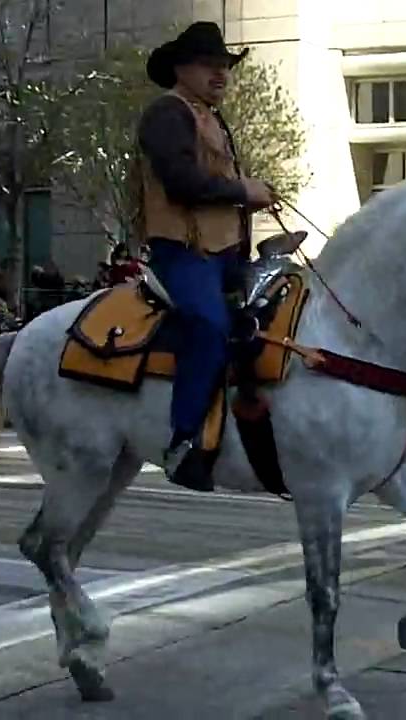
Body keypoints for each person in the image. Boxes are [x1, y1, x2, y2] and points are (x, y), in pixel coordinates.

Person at [137, 21, 276, 491]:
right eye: (209, 66)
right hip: (180, 250)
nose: (221, 75)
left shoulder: (214, 120)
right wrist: (244, 190)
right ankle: (184, 440)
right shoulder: (166, 113)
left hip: (223, 254)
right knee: (209, 324)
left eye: (224, 67)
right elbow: (181, 181)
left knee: (273, 317)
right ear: (182, 69)